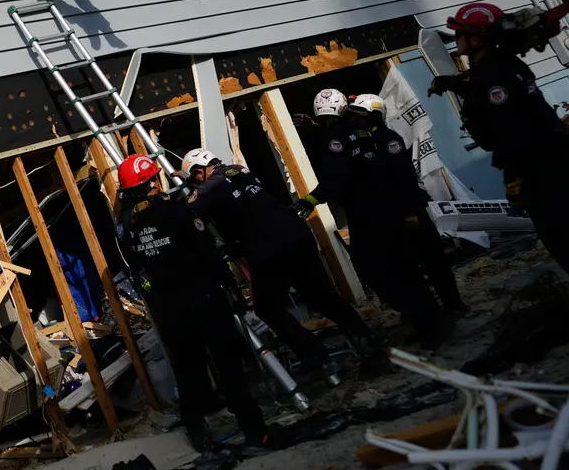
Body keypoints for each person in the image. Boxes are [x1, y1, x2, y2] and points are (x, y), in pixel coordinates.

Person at [429, 2, 569, 302]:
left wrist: (514, 177)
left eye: (459, 34)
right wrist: (458, 85)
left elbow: (510, 131)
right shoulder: (504, 65)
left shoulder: (491, 80)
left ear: (476, 39)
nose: (455, 40)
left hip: (541, 172)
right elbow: (491, 88)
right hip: (558, 162)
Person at [115, 154, 278, 451]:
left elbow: (137, 268)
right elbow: (207, 251)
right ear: (152, 181)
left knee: (187, 371)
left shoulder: (125, 225)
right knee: (228, 364)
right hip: (203, 297)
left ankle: (198, 435)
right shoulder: (176, 211)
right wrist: (229, 286)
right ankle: (254, 430)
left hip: (168, 309)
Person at [177, 148, 385, 375]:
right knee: (324, 297)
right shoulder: (238, 170)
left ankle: (315, 355)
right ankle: (370, 348)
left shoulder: (208, 188)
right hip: (296, 235)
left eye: (194, 180)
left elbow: (186, 218)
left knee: (267, 309)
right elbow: (245, 208)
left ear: (198, 173)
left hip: (268, 249)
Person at [294, 94, 447, 346]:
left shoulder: (335, 137)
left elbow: (339, 175)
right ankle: (431, 319)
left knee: (375, 271)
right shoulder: (362, 132)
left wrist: (310, 200)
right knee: (405, 266)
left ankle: (425, 321)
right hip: (390, 208)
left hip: (367, 214)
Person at [359, 97, 469, 315]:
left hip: (410, 211)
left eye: (359, 116)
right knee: (410, 267)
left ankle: (454, 305)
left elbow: (404, 178)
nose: (356, 121)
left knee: (433, 260)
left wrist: (410, 213)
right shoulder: (368, 143)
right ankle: (431, 312)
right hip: (393, 215)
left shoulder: (389, 140)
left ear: (372, 116)